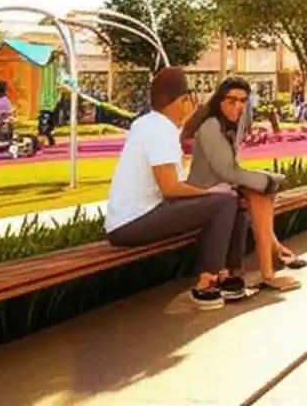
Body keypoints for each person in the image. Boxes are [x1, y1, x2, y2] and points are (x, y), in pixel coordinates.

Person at [104, 68, 257, 310]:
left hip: (138, 216)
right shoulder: (159, 129)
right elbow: (170, 187)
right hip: (132, 223)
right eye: (191, 100)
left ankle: (230, 278)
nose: (193, 106)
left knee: (230, 199)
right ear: (182, 100)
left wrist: (216, 192)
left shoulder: (148, 124)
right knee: (224, 201)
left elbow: (173, 185)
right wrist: (211, 194)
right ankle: (206, 284)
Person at [183, 77, 303, 292]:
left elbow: (231, 168)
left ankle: (273, 257)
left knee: (262, 195)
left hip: (225, 185)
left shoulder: (240, 120)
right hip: (204, 189)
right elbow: (224, 170)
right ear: (219, 100)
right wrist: (267, 180)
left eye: (242, 101)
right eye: (231, 100)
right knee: (261, 192)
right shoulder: (211, 126)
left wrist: (266, 181)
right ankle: (270, 267)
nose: (237, 106)